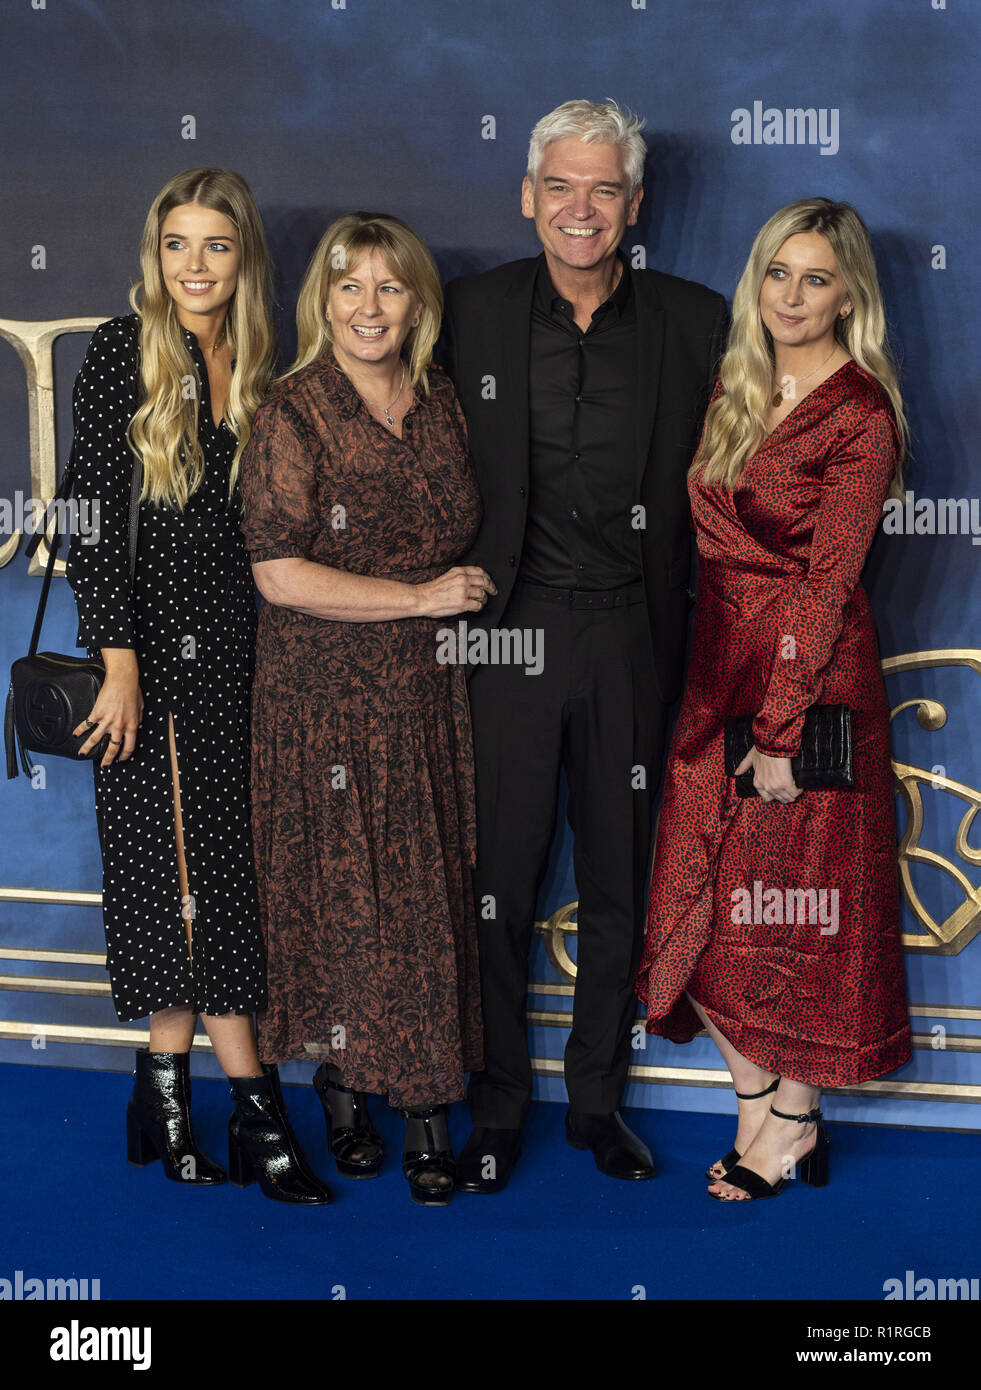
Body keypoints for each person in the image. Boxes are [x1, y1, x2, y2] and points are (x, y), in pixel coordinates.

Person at [440, 99, 727, 1191]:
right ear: (528, 195)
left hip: (632, 634)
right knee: (498, 886)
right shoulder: (467, 313)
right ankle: (498, 1105)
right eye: (561, 185)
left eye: (604, 188)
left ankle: (599, 1103)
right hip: (505, 634)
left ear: (635, 205)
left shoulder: (698, 324)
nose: (581, 207)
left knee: (622, 884)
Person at [635, 197, 913, 1201]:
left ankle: (792, 1120)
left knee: (793, 911)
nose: (791, 296)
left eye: (817, 279)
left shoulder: (860, 411)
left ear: (851, 296)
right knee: (696, 901)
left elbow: (827, 582)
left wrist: (782, 723)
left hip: (807, 681)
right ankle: (759, 1101)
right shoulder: (736, 385)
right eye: (777, 274)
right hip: (719, 673)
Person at [66, 168, 330, 1205]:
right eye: (177, 244)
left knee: (222, 875)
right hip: (146, 661)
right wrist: (117, 662)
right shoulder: (120, 352)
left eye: (216, 245)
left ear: (244, 257)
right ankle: (256, 1112)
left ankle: (163, 1094)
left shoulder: (267, 364)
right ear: (155, 253)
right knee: (175, 879)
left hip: (244, 660)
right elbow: (89, 515)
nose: (194, 265)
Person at [238, 211, 492, 1207]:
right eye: (350, 286)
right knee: (340, 890)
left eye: (390, 287)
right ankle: (344, 1092)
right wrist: (422, 598)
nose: (370, 306)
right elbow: (277, 572)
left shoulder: (440, 400)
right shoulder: (293, 411)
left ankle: (430, 1110)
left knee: (425, 892)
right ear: (322, 303)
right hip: (321, 696)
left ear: (418, 301)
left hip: (425, 696)